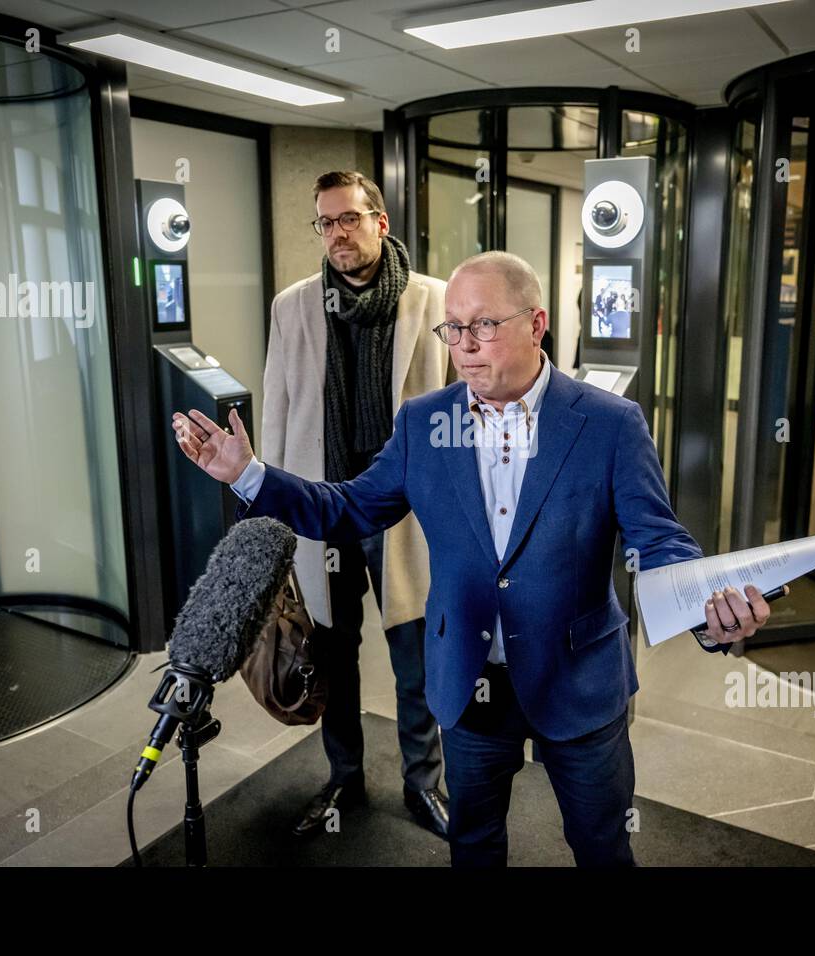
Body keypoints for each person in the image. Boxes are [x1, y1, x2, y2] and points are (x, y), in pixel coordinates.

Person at [172, 251, 772, 866]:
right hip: (470, 675)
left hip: (578, 678)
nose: (463, 344)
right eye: (452, 327)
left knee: (601, 846)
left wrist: (704, 607)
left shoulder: (610, 424)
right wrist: (248, 475)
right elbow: (347, 509)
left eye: (482, 325)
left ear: (537, 324)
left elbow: (659, 538)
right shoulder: (424, 422)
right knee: (475, 844)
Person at [253, 170, 451, 840]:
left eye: (349, 219)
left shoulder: (434, 302)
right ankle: (344, 775)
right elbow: (275, 411)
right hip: (321, 509)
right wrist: (275, 517)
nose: (338, 234)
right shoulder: (294, 306)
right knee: (331, 653)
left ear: (380, 222)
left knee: (413, 653)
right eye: (326, 222)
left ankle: (424, 784)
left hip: (405, 511)